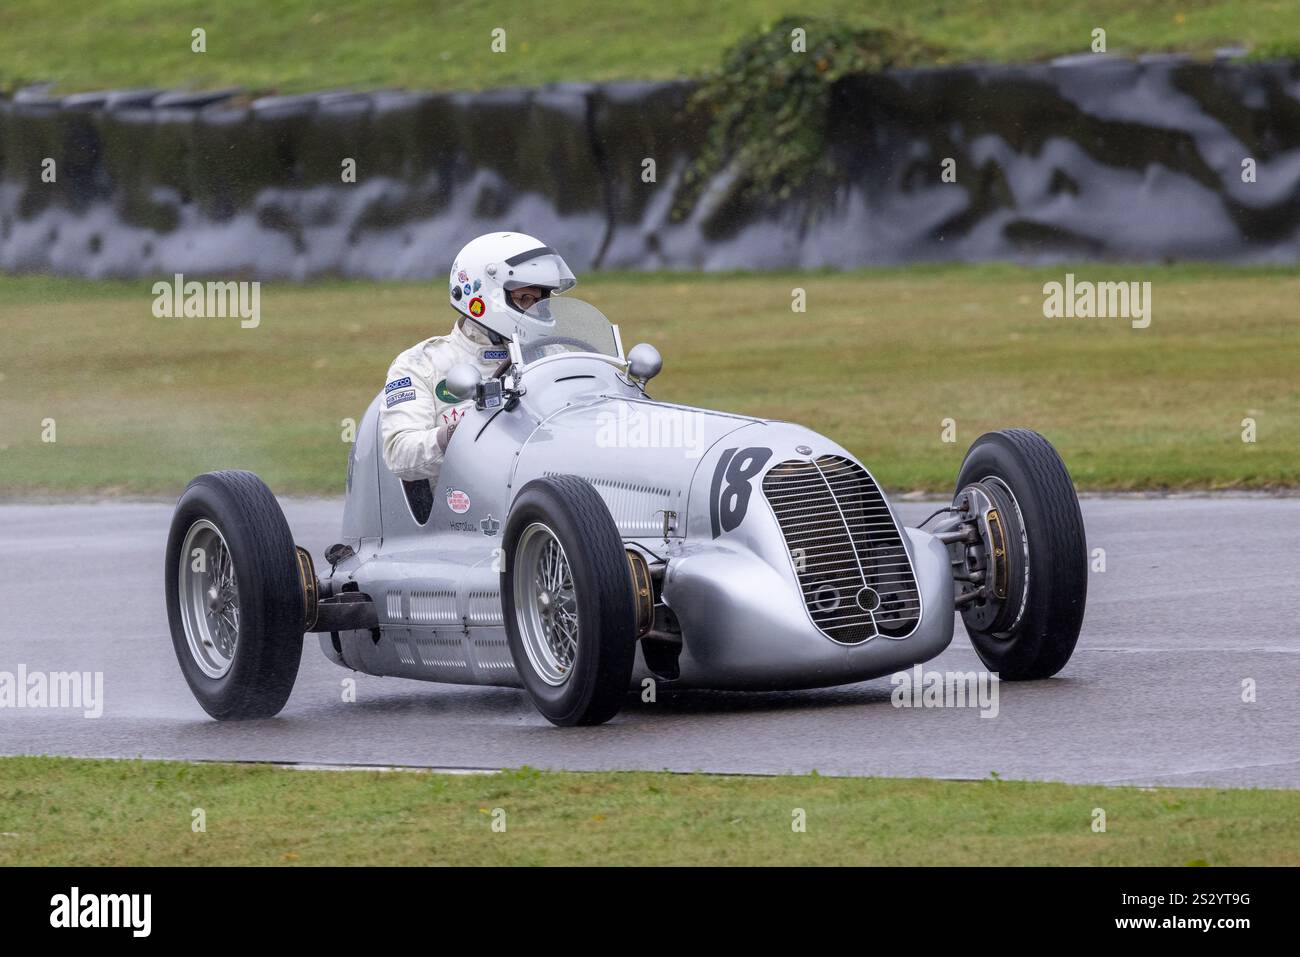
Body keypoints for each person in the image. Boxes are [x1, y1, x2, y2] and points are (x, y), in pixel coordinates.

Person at [380, 232, 577, 482]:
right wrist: (454, 434)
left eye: (540, 300)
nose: (534, 309)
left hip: (551, 494)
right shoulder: (422, 363)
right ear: (484, 295)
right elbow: (399, 453)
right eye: (524, 298)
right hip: (464, 508)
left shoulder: (551, 354)